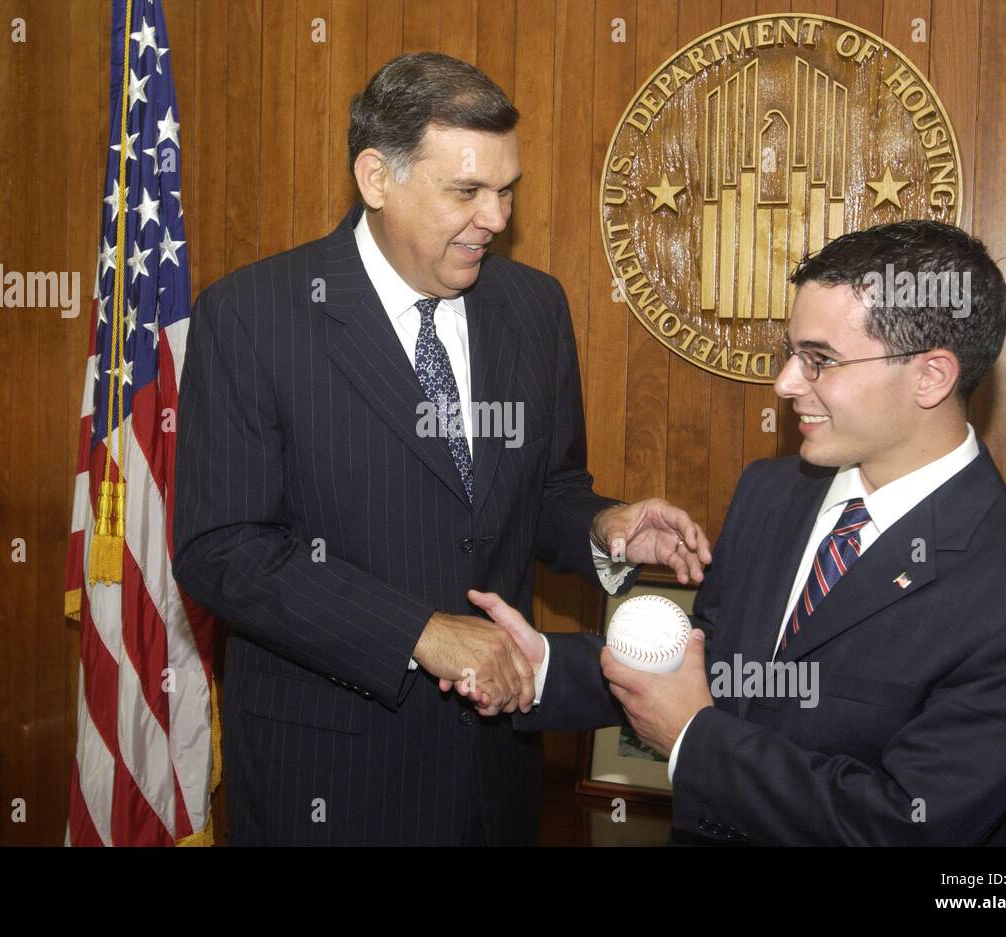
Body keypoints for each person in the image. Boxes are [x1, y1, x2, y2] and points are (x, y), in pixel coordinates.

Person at [171, 52, 708, 846]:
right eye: (466, 191)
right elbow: (223, 551)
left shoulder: (532, 308)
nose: (495, 217)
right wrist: (418, 630)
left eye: (506, 191)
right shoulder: (255, 316)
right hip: (327, 778)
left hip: (492, 774)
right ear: (376, 178)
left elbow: (547, 490)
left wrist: (605, 526)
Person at [475, 220, 1006, 845]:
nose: (784, 385)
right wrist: (546, 668)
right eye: (791, 353)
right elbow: (718, 667)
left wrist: (696, 739)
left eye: (819, 361)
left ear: (931, 376)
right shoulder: (772, 492)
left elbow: (903, 823)